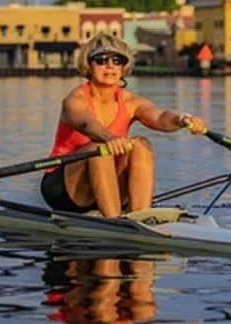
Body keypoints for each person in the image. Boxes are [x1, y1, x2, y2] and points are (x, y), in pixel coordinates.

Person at [41, 32, 207, 218]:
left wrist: (183, 119)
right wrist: (110, 138)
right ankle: (114, 221)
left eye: (117, 60)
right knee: (99, 148)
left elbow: (159, 117)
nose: (110, 65)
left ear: (123, 67)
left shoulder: (131, 102)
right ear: (89, 65)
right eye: (101, 59)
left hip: (108, 182)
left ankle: (141, 217)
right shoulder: (75, 100)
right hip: (64, 189)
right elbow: (88, 124)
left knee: (140, 144)